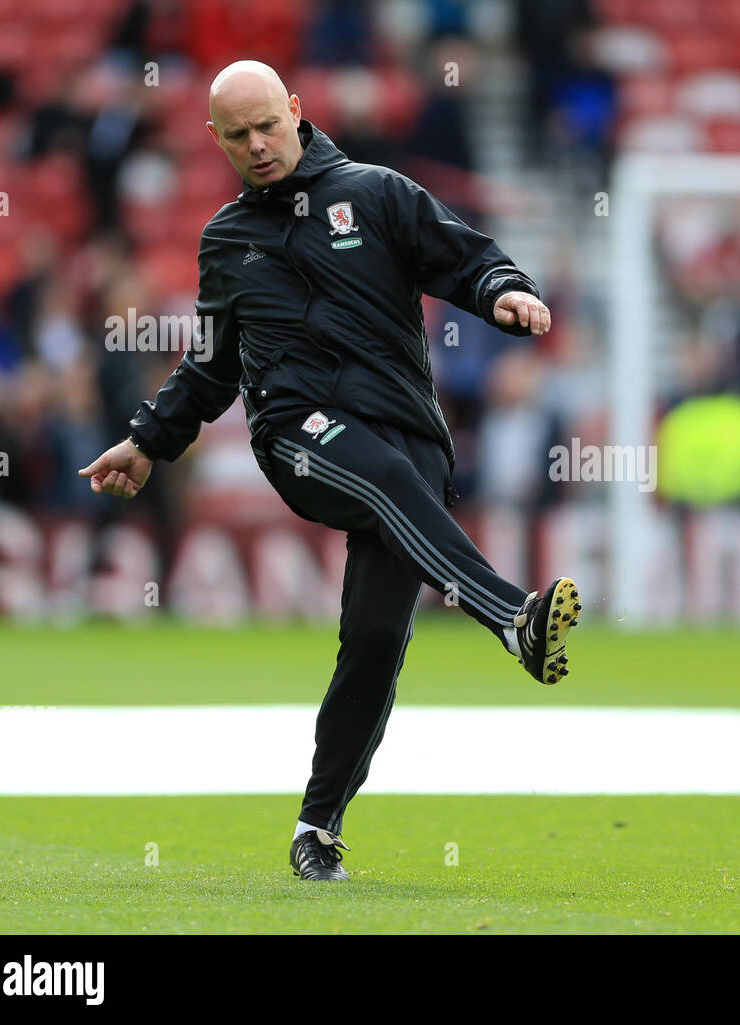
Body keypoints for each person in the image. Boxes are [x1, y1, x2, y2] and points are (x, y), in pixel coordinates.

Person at [78, 61, 581, 881]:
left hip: (407, 436)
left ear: (297, 112)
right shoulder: (226, 241)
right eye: (236, 137)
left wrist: (505, 292)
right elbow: (209, 367)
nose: (257, 146)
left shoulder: (377, 193)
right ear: (216, 141)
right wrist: (148, 439)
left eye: (266, 126)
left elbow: (465, 257)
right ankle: (509, 618)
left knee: (377, 637)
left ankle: (318, 827)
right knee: (377, 474)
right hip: (295, 431)